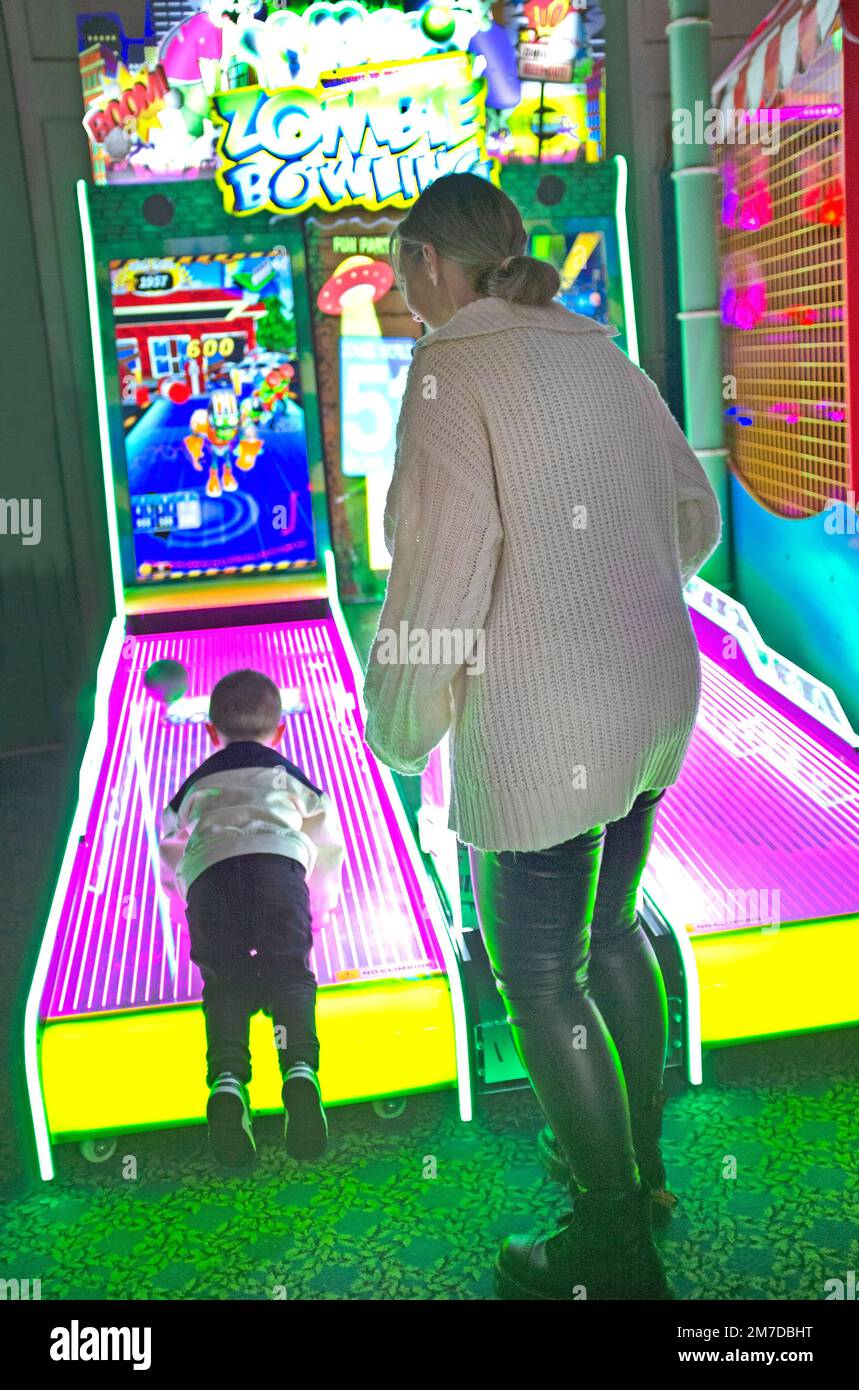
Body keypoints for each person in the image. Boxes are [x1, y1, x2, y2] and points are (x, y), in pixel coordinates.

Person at [362, 172, 721, 1300]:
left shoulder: (445, 372)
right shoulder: (596, 350)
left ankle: (608, 1236)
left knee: (537, 971)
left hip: (544, 720)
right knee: (611, 934)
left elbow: (437, 573)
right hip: (651, 696)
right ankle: (642, 1164)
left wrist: (402, 731)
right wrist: (610, 597)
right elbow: (692, 516)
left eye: (397, 267)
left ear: (426, 263)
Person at [158, 669, 344, 1168]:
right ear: (281, 730)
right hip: (277, 873)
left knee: (226, 983)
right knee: (289, 976)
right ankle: (300, 1073)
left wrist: (184, 913)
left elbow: (170, 847)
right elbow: (327, 846)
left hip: (212, 882)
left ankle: (228, 1082)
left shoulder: (193, 785)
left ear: (210, 733)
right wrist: (319, 910)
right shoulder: (290, 775)